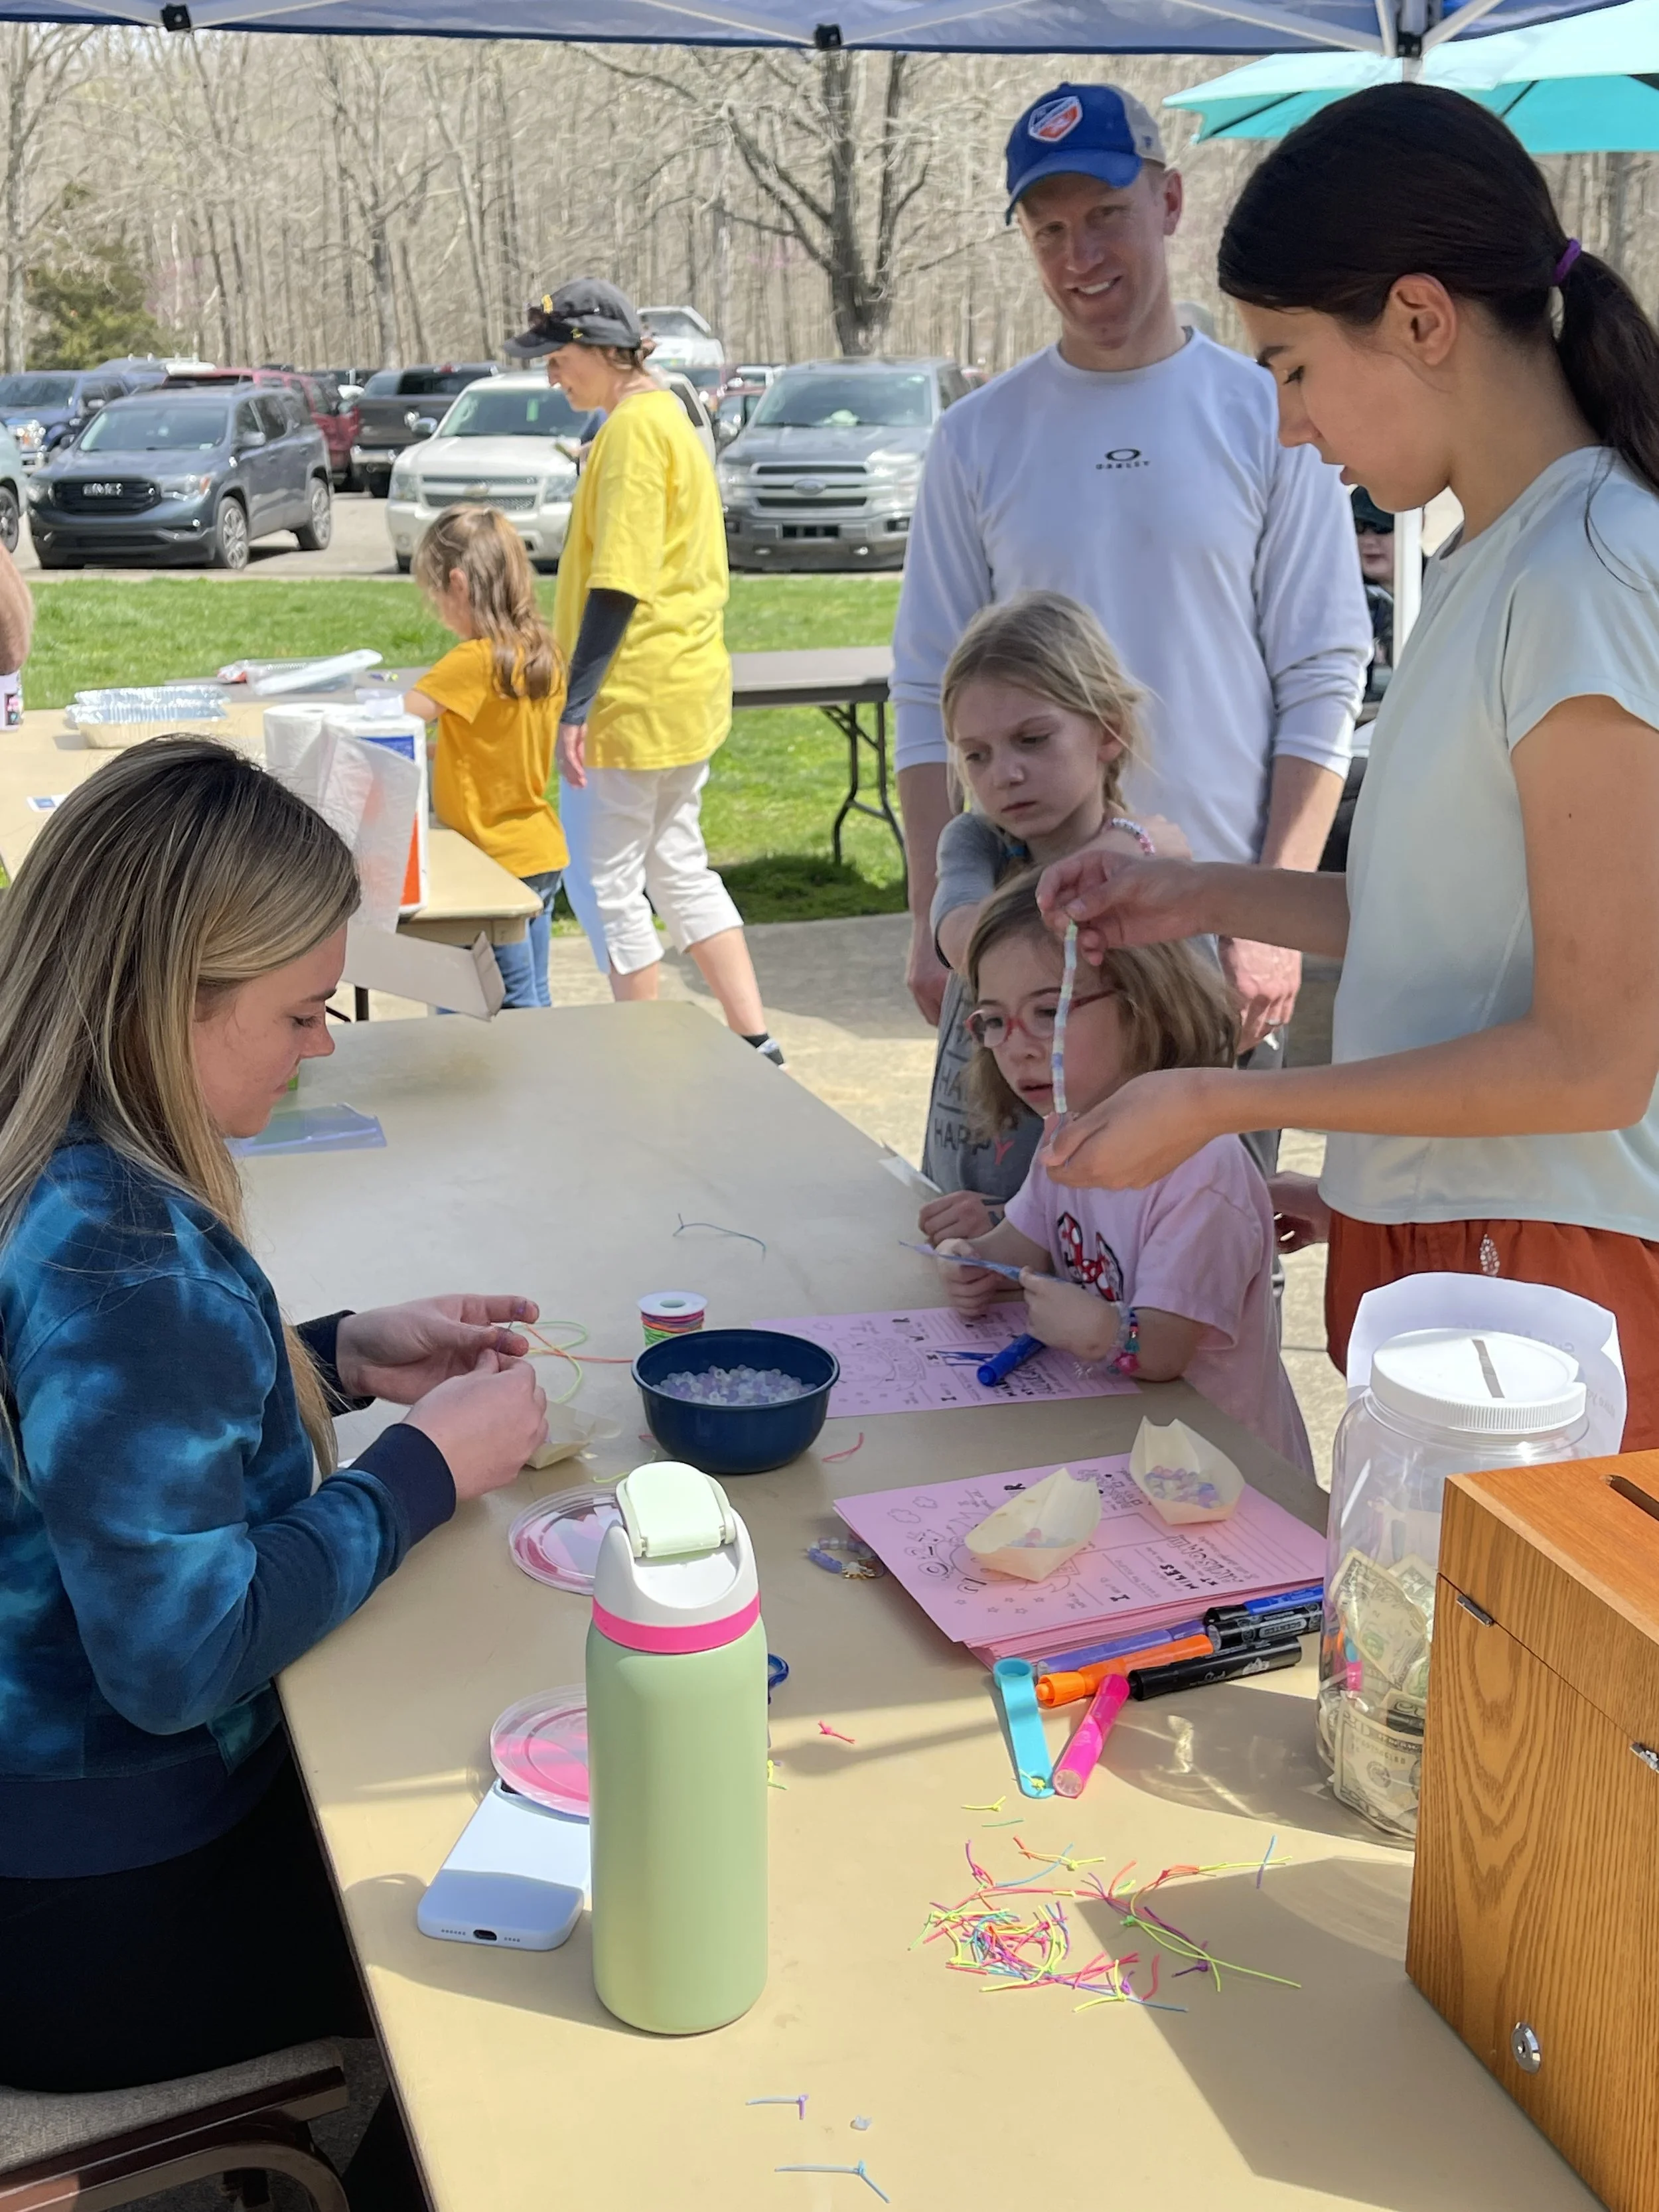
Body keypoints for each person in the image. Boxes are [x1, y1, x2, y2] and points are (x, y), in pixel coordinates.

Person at [1036, 83, 1659, 1449]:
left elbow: (1596, 1059)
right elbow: (1451, 930)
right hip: (1469, 1242)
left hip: (1541, 1274)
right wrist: (1200, 895)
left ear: (1421, 319)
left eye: (1292, 367)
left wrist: (1229, 1100)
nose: (1288, 425)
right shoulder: (1497, 557)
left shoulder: (1586, 574)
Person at [0, 741, 547, 2207]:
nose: (323, 1046)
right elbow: (182, 1656)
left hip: (47, 1856)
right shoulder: (131, 1264)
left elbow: (84, 1451)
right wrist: (424, 1472)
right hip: (91, 1923)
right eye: (302, 1013)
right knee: (513, 1926)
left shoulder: (45, 1163)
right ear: (167, 998)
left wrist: (336, 1358)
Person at [891, 79, 1371, 1086]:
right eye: (1049, 230)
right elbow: (926, 688)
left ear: (1170, 202)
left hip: (1217, 933)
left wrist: (1271, 912)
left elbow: (1322, 672)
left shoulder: (1267, 413)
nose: (1081, 256)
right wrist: (930, 915)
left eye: (1106, 215)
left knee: (1215, 1189)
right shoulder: (977, 436)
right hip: (1029, 946)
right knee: (1028, 1191)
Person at [934, 871, 1310, 1469]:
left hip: (1230, 1473)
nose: (1018, 1046)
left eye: (1049, 1011)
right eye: (995, 1020)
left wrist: (1101, 1332)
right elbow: (1020, 1246)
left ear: (1142, 1004)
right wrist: (974, 1262)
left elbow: (1162, 1350)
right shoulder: (1066, 1129)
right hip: (1129, 1445)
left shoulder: (1201, 1168)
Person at [505, 279, 783, 1065]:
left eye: (558, 359)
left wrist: (577, 704)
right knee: (678, 867)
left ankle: (641, 1060)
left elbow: (619, 579)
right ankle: (755, 1039)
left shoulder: (631, 431)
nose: (552, 376)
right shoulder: (669, 414)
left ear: (601, 350)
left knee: (606, 884)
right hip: (685, 687)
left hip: (633, 697)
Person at [915, 589, 1181, 1240]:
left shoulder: (1157, 897)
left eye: (1032, 740)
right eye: (975, 754)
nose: (1003, 774)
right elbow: (966, 940)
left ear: (1109, 731)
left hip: (1085, 1235)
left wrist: (1013, 1221)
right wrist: (1126, 850)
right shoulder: (974, 843)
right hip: (959, 1199)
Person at [405, 504, 567, 1008]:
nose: (437, 608)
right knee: (533, 995)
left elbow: (393, 724)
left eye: (435, 596)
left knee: (502, 1005)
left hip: (489, 864)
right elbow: (498, 741)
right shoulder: (542, 654)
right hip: (538, 851)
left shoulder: (472, 662)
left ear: (457, 584)